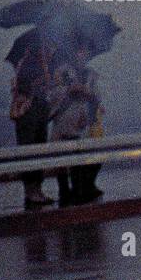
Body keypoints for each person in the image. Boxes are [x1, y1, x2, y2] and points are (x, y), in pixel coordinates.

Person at [49, 41, 103, 205]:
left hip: (82, 120)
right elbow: (52, 95)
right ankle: (64, 191)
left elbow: (98, 97)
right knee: (61, 159)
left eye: (84, 52)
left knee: (79, 157)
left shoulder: (91, 74)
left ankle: (79, 190)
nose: (82, 55)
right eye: (78, 52)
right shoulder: (61, 72)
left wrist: (89, 93)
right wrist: (68, 91)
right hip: (63, 120)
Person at [10, 42, 56, 209]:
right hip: (28, 112)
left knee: (39, 148)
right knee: (30, 149)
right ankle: (31, 190)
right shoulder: (27, 65)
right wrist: (40, 81)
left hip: (40, 111)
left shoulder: (45, 66)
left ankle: (37, 188)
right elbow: (22, 88)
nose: (52, 51)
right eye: (50, 48)